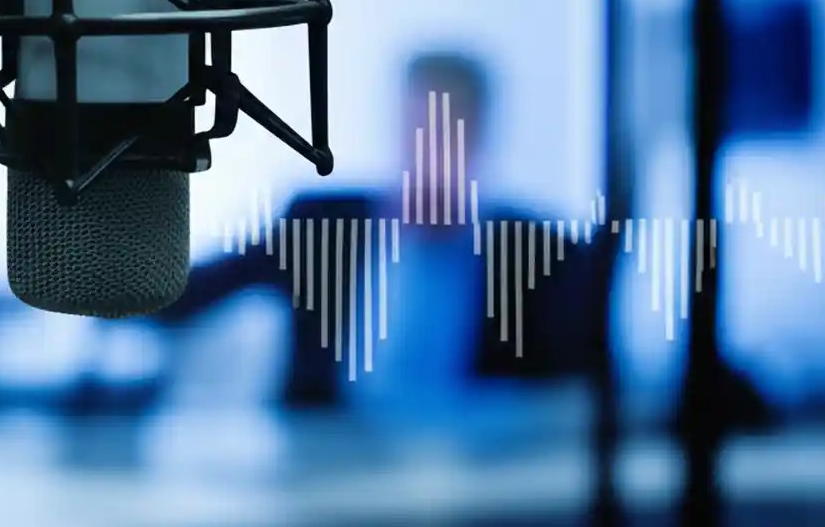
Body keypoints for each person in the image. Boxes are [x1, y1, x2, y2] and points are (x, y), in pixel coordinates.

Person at [155, 50, 598, 415]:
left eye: (449, 138)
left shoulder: (540, 254)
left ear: (480, 139)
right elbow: (186, 294)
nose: (430, 156)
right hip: (326, 471)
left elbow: (572, 390)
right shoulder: (320, 226)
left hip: (479, 487)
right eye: (418, 133)